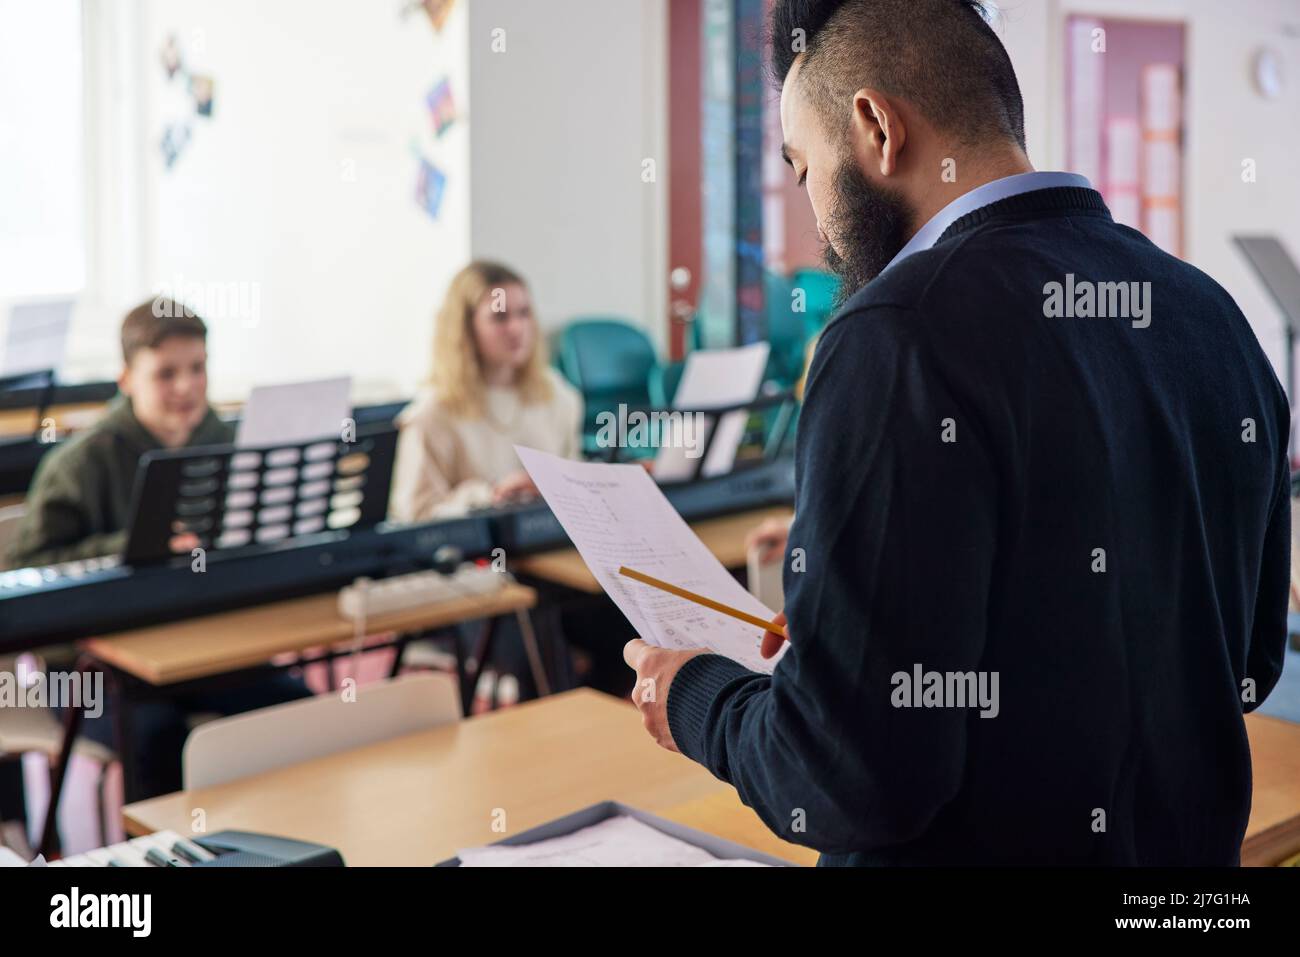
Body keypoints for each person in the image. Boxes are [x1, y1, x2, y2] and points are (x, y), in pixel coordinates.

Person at [624, 0, 1289, 865]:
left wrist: (695, 697)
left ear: (875, 126)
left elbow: (846, 775)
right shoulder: (1211, 312)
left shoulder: (893, 332)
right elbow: (1242, 658)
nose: (815, 218)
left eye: (803, 168)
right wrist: (878, 576)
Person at [9, 298, 310, 799]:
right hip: (93, 676)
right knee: (157, 736)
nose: (187, 387)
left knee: (298, 710)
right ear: (127, 379)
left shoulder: (227, 440)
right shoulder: (83, 461)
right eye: (166, 374)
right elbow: (26, 569)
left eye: (198, 368)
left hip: (202, 646)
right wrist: (136, 547)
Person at [390, 260, 582, 521]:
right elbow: (415, 515)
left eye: (524, 313)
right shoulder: (431, 414)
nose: (516, 328)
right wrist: (490, 496)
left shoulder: (557, 395)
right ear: (465, 329)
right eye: (500, 317)